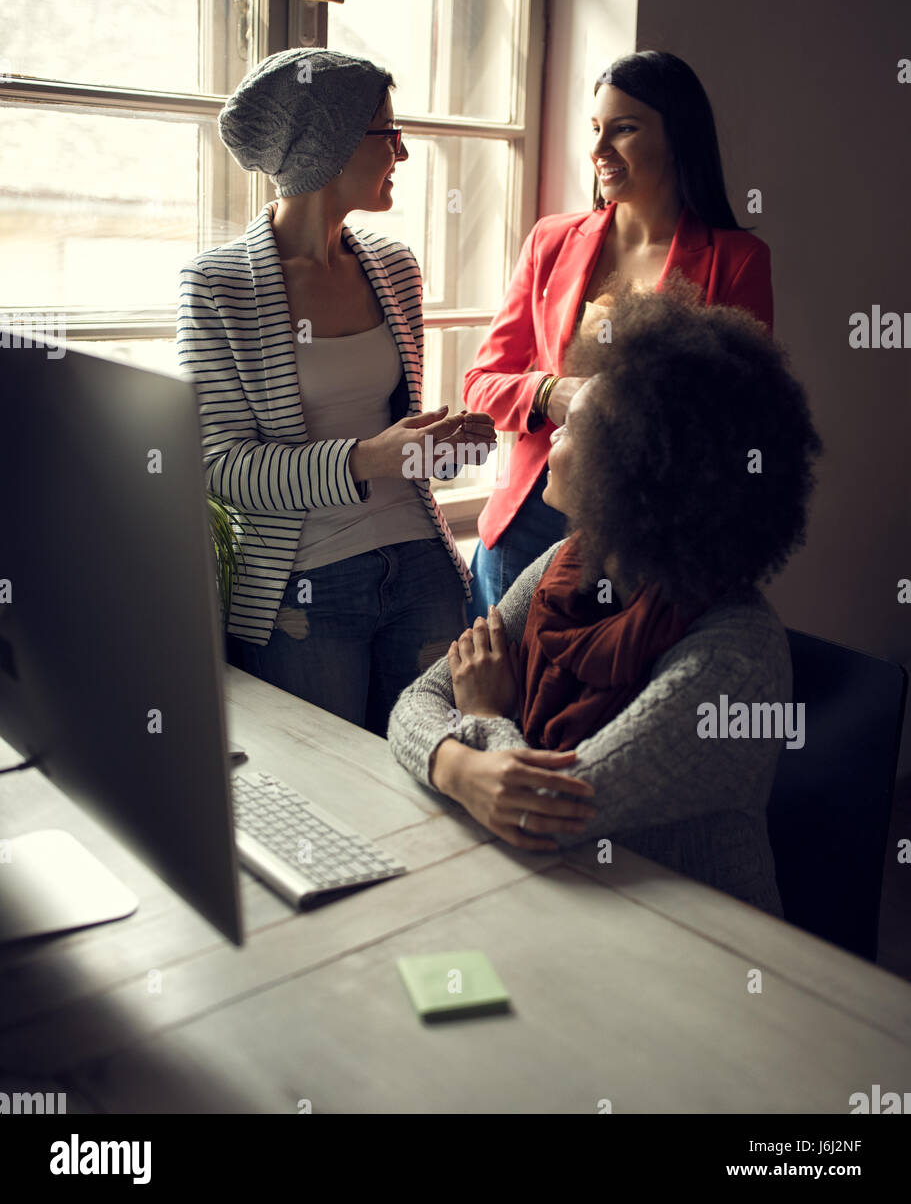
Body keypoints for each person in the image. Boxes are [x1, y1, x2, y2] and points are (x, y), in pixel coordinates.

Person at [388, 289, 822, 915]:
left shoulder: (735, 658)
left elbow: (554, 809)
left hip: (699, 961)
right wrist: (458, 769)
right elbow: (417, 701)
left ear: (637, 469)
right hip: (559, 905)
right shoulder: (566, 565)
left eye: (578, 423)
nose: (554, 432)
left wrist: (481, 716)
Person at [178, 48, 495, 735]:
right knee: (335, 802)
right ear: (331, 145)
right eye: (387, 132)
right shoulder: (218, 285)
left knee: (433, 787)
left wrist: (436, 445)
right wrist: (368, 459)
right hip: (303, 588)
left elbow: (394, 437)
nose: (403, 152)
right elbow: (217, 468)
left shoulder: (394, 268)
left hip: (423, 570)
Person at [464, 49, 774, 617]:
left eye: (624, 129)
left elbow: (742, 422)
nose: (598, 150)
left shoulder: (737, 260)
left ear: (678, 136)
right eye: (595, 129)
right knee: (498, 696)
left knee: (603, 697)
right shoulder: (551, 240)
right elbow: (481, 383)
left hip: (650, 530)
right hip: (530, 517)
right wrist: (545, 392)